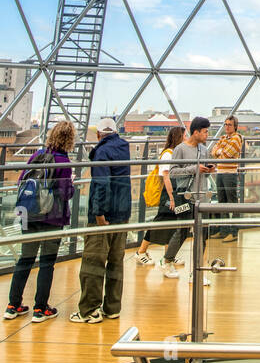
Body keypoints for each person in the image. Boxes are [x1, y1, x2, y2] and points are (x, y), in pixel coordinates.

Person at [5, 120, 76, 323]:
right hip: (52, 217)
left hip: (28, 214)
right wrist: (72, 185)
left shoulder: (36, 156)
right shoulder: (64, 163)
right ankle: (40, 308)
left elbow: (21, 181)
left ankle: (13, 305)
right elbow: (65, 193)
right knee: (47, 262)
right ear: (70, 140)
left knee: (25, 259)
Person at [72, 118, 131, 323]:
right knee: (116, 261)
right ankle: (112, 307)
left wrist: (98, 213)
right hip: (122, 213)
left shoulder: (102, 152)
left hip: (105, 216)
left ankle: (89, 310)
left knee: (93, 262)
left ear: (98, 134)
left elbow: (101, 184)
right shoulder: (124, 148)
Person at [162, 116, 216, 281]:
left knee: (203, 235)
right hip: (185, 197)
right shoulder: (180, 149)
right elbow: (172, 172)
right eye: (205, 132)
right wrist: (194, 169)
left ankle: (197, 271)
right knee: (182, 231)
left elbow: (203, 168)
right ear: (196, 132)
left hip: (202, 196)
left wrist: (210, 169)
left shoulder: (204, 150)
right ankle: (167, 261)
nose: (207, 135)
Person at [138, 126, 185, 267]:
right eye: (184, 136)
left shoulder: (174, 153)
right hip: (168, 192)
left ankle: (169, 255)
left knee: (171, 223)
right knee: (161, 221)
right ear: (178, 137)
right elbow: (166, 176)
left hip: (172, 192)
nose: (186, 139)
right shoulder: (168, 154)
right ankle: (141, 251)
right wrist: (171, 197)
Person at [209, 114, 244, 242]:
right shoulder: (224, 137)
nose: (227, 127)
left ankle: (234, 232)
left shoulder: (237, 139)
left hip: (230, 174)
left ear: (235, 126)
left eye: (229, 125)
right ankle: (223, 230)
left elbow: (226, 154)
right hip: (220, 172)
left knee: (232, 203)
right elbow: (214, 151)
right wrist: (220, 152)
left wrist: (220, 152)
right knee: (222, 202)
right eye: (225, 124)